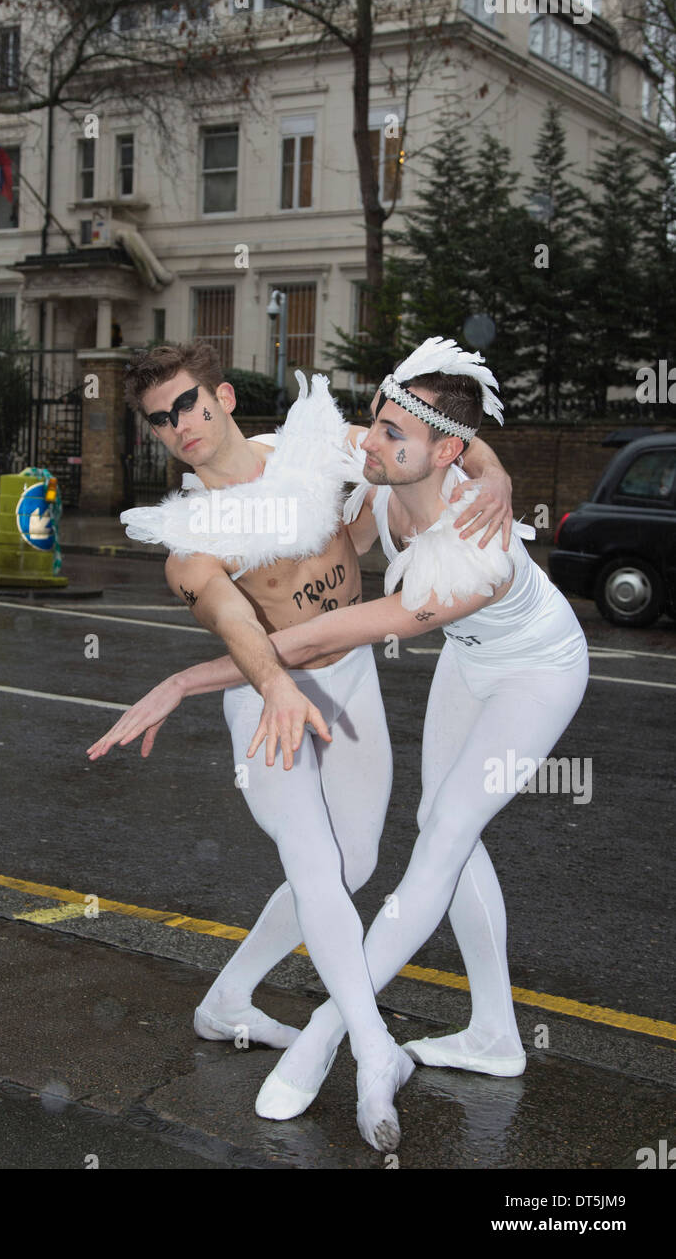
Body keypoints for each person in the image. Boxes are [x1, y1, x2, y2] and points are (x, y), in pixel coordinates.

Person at [91, 338, 588, 1152]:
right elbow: (233, 615)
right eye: (158, 419)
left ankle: (236, 1004)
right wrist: (255, 684)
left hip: (372, 673)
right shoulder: (188, 539)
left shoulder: (310, 448)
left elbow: (436, 427)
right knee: (325, 863)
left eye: (189, 403)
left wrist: (492, 472)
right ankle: (363, 1050)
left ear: (221, 397)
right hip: (269, 697)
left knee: (381, 856)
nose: (179, 424)